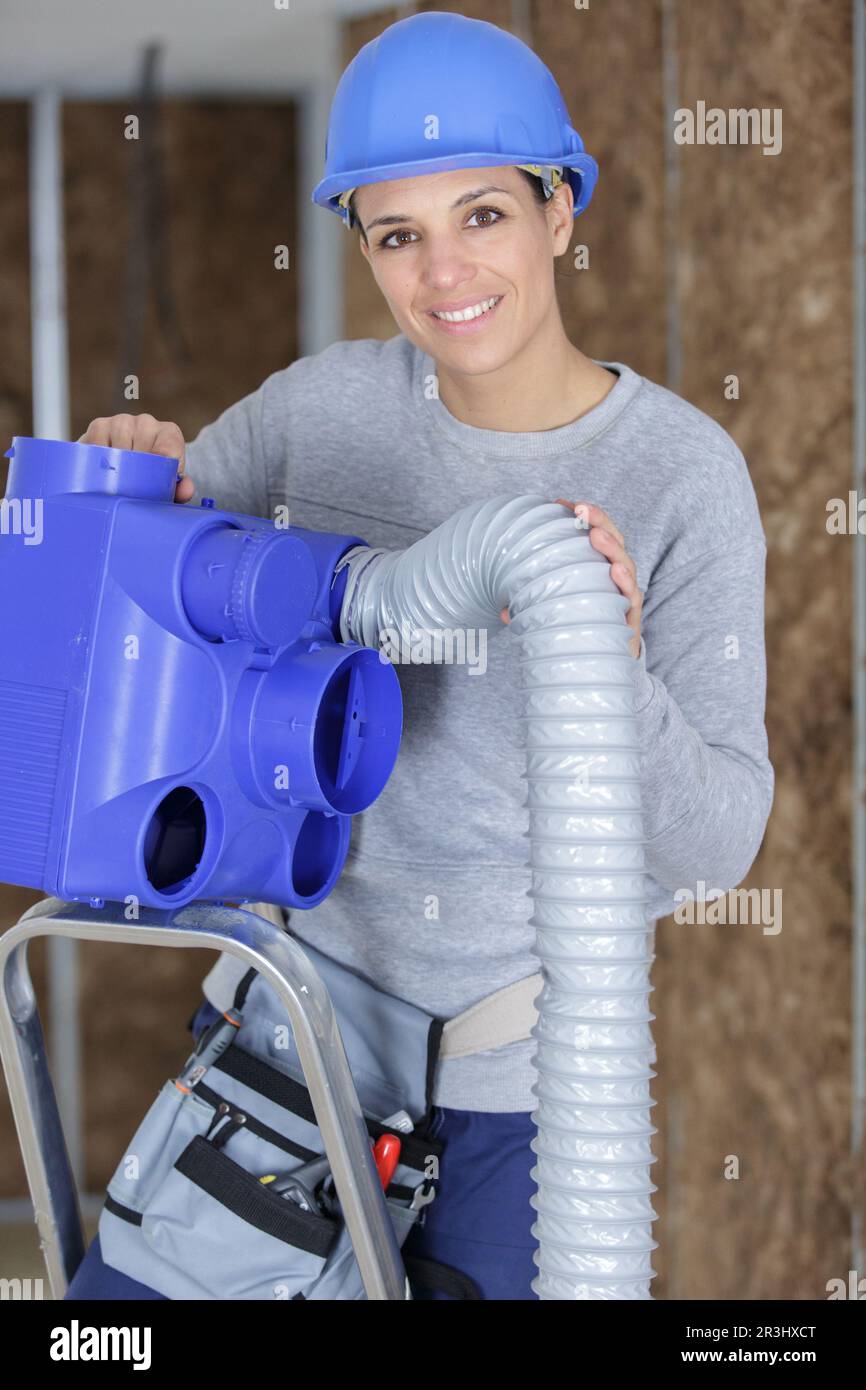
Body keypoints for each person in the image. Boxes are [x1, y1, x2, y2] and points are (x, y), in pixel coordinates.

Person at [65, 10, 773, 1300]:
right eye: (400, 234)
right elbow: (130, 606)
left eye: (485, 214)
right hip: (285, 1038)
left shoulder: (681, 476)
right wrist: (122, 489)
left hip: (521, 1105)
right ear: (367, 252)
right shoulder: (319, 413)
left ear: (561, 210)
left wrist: (605, 663)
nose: (446, 271)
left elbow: (720, 840)